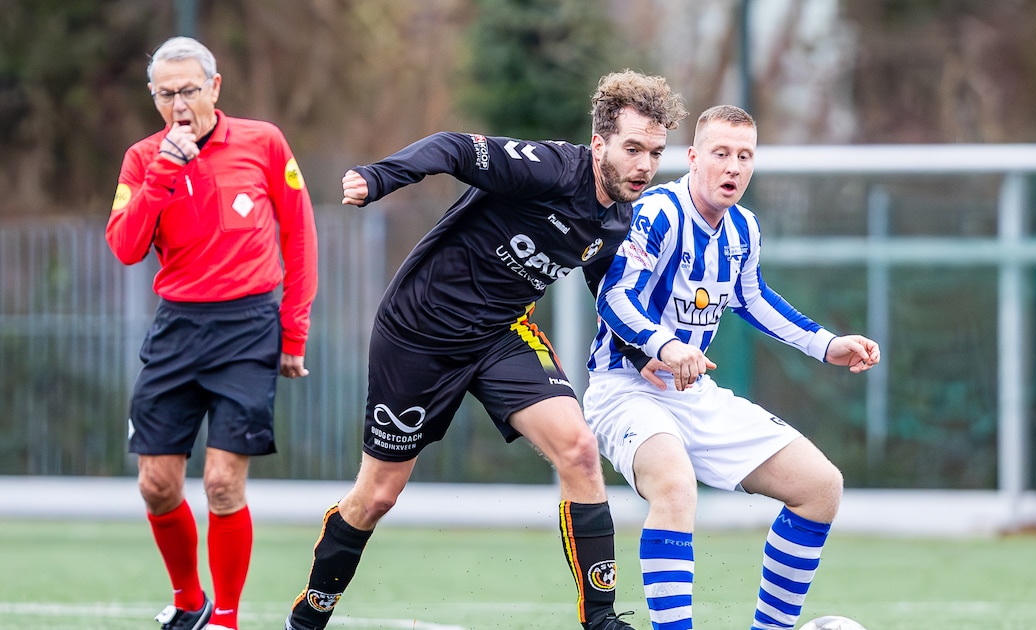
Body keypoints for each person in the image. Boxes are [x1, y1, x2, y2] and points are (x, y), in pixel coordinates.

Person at [284, 70, 687, 630]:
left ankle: (600, 621)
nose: (644, 165)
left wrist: (641, 353)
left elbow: (604, 286)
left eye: (655, 153)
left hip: (501, 335)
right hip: (418, 333)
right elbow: (453, 147)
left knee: (579, 450)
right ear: (599, 144)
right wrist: (379, 178)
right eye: (633, 149)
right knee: (377, 496)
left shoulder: (620, 216)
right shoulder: (549, 168)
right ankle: (309, 615)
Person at [584, 105, 881, 630]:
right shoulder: (658, 212)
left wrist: (827, 344)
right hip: (624, 389)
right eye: (721, 153)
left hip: (694, 393)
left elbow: (753, 298)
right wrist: (663, 346)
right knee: (675, 488)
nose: (733, 167)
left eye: (745, 156)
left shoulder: (744, 228)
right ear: (694, 157)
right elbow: (614, 296)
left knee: (820, 487)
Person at [105, 36, 319, 630]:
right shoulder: (142, 158)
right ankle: (188, 601)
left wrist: (294, 333)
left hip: (248, 330)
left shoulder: (264, 142)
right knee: (156, 484)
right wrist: (163, 173)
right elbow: (125, 247)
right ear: (153, 97)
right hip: (177, 328)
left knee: (223, 483)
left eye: (189, 91)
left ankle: (225, 619)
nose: (178, 105)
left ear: (214, 88)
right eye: (165, 94)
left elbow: (300, 238)